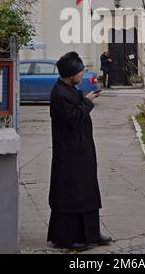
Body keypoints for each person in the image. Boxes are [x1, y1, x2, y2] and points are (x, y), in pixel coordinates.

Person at [48, 52, 112, 251]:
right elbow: (72, 119)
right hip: (69, 154)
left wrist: (85, 100)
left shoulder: (70, 88)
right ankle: (68, 238)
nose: (82, 75)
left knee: (88, 192)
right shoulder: (59, 93)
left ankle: (91, 234)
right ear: (70, 73)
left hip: (82, 150)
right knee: (72, 196)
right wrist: (87, 102)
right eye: (79, 72)